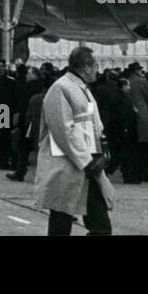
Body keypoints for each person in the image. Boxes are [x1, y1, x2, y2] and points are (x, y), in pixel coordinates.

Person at [31, 47, 112, 235]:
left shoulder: (80, 88)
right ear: (87, 67)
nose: (98, 70)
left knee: (98, 223)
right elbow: (64, 130)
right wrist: (86, 160)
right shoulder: (61, 88)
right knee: (62, 221)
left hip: (85, 166)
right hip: (68, 167)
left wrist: (101, 149)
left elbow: (92, 124)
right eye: (96, 66)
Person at [125, 61, 148, 183]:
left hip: (131, 116)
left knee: (135, 148)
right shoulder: (141, 81)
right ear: (136, 71)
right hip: (143, 116)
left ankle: (137, 172)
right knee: (147, 146)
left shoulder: (126, 81)